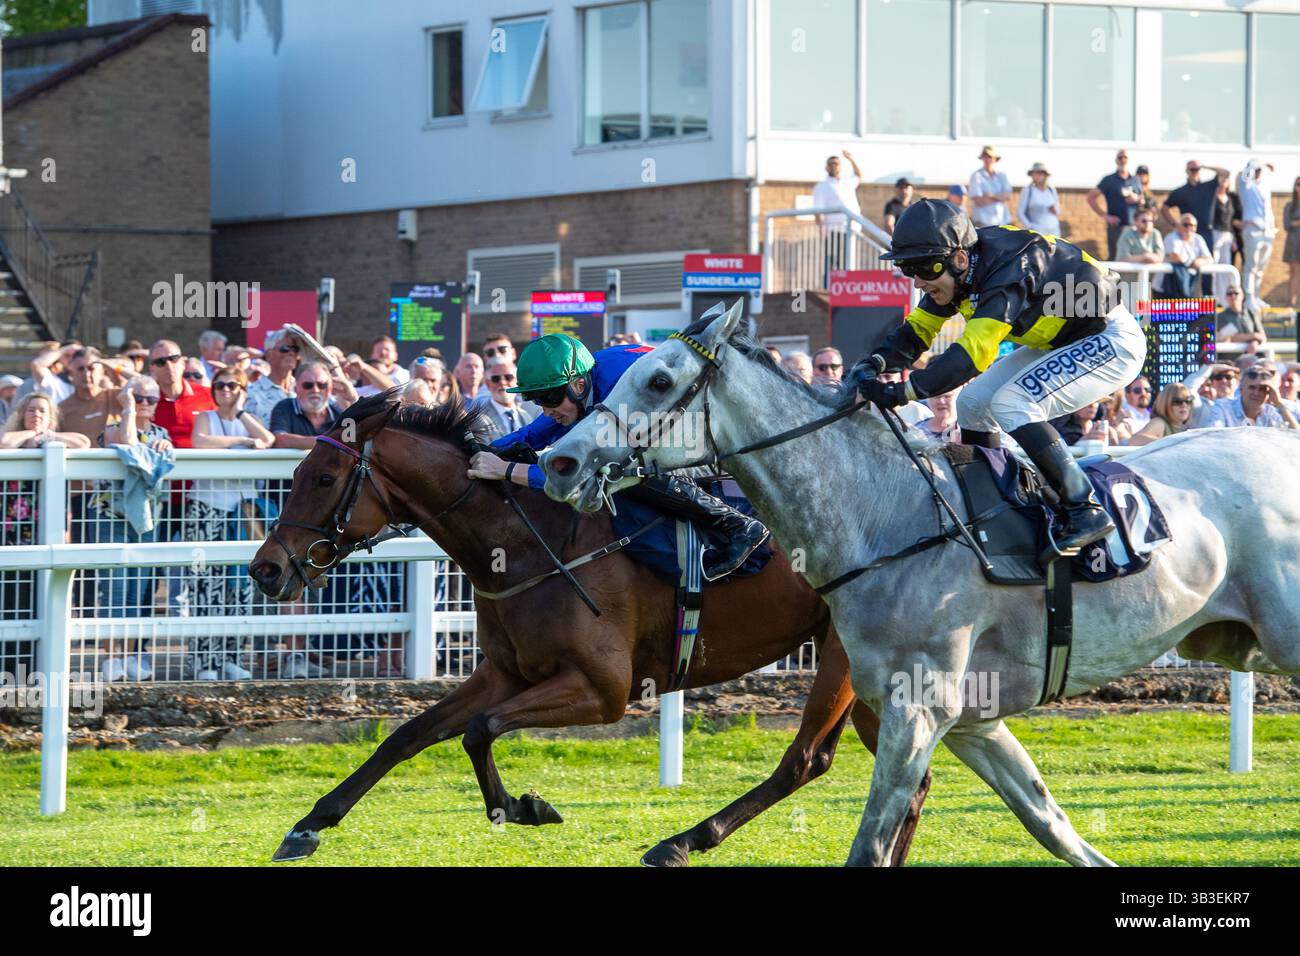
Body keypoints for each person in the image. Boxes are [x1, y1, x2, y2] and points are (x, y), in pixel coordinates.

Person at [850, 198, 1145, 561]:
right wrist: (874, 362)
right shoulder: (959, 270)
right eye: (909, 271)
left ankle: (1084, 509)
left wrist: (903, 392)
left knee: (1012, 402)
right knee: (972, 405)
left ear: (958, 259)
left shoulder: (1006, 270)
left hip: (1109, 339)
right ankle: (992, 504)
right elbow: (917, 331)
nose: (917, 282)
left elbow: (974, 354)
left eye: (922, 270)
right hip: (1062, 339)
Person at [467, 334, 770, 581]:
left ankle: (736, 524)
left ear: (579, 385)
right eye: (536, 400)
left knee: (622, 471)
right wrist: (478, 450)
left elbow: (584, 473)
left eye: (548, 398)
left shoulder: (615, 385)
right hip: (683, 426)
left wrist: (507, 470)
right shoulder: (577, 385)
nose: (544, 408)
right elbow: (532, 434)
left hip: (717, 436)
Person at [91, 376, 174, 681]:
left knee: (138, 590)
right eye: (137, 397)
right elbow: (125, 442)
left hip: (147, 518)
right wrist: (126, 409)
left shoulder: (161, 433)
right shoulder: (113, 426)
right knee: (114, 587)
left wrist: (163, 445)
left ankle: (132, 654)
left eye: (150, 399)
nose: (144, 404)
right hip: (110, 516)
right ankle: (112, 657)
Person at [1161, 159, 1229, 291]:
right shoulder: (1181, 191)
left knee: (1207, 270)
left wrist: (1206, 166)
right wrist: (1175, 223)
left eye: (1197, 169)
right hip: (1186, 235)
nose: (1195, 172)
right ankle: (1185, 297)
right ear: (1187, 171)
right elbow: (1164, 208)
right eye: (1192, 169)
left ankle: (1207, 307)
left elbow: (1225, 173)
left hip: (1206, 233)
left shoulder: (1208, 186)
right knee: (1185, 268)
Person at [55, 347, 131, 443]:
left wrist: (114, 366)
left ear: (102, 372)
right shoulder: (62, 408)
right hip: (79, 457)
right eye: (80, 369)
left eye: (91, 368)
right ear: (71, 373)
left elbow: (145, 384)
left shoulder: (116, 397)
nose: (86, 374)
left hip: (114, 457)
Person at [149, 339, 214, 449]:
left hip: (202, 462)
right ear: (152, 369)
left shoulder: (208, 394)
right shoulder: (144, 399)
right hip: (160, 462)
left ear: (183, 363)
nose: (169, 366)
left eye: (173, 359)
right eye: (161, 362)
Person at [269, 361, 345, 448]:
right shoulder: (284, 407)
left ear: (330, 388)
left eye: (322, 385)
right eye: (308, 385)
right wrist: (326, 443)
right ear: (295, 388)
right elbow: (279, 440)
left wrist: (352, 398)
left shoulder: (339, 414)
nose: (315, 390)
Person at [813, 150, 863, 281]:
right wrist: (822, 230)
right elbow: (818, 212)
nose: (834, 166)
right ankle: (828, 287)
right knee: (832, 260)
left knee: (848, 261)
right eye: (831, 164)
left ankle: (847, 285)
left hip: (851, 229)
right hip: (833, 230)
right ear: (826, 167)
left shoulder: (847, 181)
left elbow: (859, 175)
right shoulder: (822, 186)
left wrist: (851, 159)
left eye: (836, 163)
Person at [1206, 360, 1298, 430]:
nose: (1256, 393)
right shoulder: (1222, 407)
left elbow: (1296, 438)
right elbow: (1214, 437)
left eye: (1262, 389)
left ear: (1269, 392)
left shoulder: (1271, 413)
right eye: (1252, 387)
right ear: (1241, 388)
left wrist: (1279, 404)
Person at [1237, 159, 1277, 315]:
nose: (1258, 172)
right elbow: (1243, 176)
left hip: (1267, 231)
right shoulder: (1247, 186)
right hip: (1252, 229)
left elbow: (1268, 208)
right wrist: (1257, 165)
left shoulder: (1264, 186)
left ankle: (1257, 295)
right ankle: (1249, 297)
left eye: (1260, 170)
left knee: (1261, 267)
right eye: (1256, 170)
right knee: (1251, 266)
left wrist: (1272, 225)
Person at [1087, 149, 1142, 260]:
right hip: (1117, 228)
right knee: (1116, 258)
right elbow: (1090, 198)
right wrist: (1105, 216)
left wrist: (1137, 199)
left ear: (1129, 160)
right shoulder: (1109, 180)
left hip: (1135, 227)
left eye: (1125, 157)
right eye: (1120, 157)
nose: (1122, 160)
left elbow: (1142, 200)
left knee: (1135, 258)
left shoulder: (1136, 180)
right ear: (1116, 161)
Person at [245, 327, 302, 425]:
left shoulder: (306, 387)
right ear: (269, 355)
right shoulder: (251, 394)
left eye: (295, 349)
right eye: (285, 349)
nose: (291, 353)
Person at [477, 357, 540, 440]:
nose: (502, 382)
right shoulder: (479, 419)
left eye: (508, 377)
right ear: (488, 384)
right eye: (496, 379)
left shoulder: (529, 413)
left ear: (517, 382)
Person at [1, 392, 92, 449]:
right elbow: (3, 443)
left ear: (50, 418)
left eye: (42, 411)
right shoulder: (13, 436)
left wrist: (44, 437)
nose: (36, 414)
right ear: (22, 415)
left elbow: (84, 443)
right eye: (31, 410)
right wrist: (31, 433)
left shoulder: (54, 438)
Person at [1159, 214, 1213, 299]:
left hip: (1188, 287)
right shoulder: (1172, 237)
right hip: (1167, 287)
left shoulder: (1198, 239)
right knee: (1166, 312)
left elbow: (1210, 259)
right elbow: (1175, 257)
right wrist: (1193, 262)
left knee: (1188, 312)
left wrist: (1199, 262)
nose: (1189, 227)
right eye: (1185, 224)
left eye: (1192, 225)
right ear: (1179, 225)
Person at [1210, 170, 1242, 305]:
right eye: (1221, 180)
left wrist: (1234, 238)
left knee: (1226, 266)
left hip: (1227, 235)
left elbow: (1230, 220)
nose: (1223, 182)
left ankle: (1224, 298)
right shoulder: (1212, 198)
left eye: (1226, 180)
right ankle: (1213, 296)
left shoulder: (1230, 198)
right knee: (1213, 266)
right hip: (1215, 233)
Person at [1126, 384, 1194, 446]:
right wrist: (1172, 443)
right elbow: (1133, 441)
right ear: (1165, 403)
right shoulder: (1159, 422)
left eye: (1188, 401)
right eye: (1177, 401)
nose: (1184, 405)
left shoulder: (1183, 427)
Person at [967, 145, 1011, 228]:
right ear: (982, 158)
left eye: (990, 157)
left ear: (995, 159)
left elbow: (1008, 196)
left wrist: (991, 196)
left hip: (1002, 222)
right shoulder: (976, 176)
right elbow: (978, 201)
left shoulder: (1002, 176)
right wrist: (999, 197)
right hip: (983, 223)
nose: (987, 159)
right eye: (985, 157)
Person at [1018, 162, 1060, 236]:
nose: (1038, 175)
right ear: (1032, 175)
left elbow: (1058, 211)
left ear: (1045, 175)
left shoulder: (1051, 190)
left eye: (1040, 173)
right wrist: (1030, 226)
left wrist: (1054, 209)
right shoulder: (1028, 190)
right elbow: (1020, 212)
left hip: (1054, 230)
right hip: (1037, 231)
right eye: (1035, 173)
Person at [1282, 177, 1300, 314]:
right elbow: (1287, 224)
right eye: (1298, 184)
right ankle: (1291, 303)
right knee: (1294, 273)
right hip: (1294, 242)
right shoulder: (1289, 205)